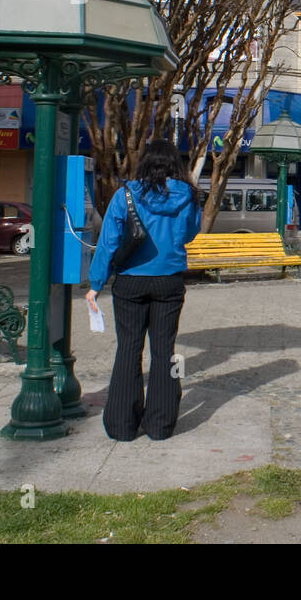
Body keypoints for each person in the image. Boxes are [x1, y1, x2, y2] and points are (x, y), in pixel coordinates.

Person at [87, 139, 204, 442]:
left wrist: (96, 283)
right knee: (164, 351)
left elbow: (109, 243)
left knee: (128, 349)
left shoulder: (126, 195)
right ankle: (160, 425)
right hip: (170, 280)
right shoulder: (189, 196)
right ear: (174, 164)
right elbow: (191, 233)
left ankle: (122, 426)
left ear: (145, 162)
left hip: (130, 281)